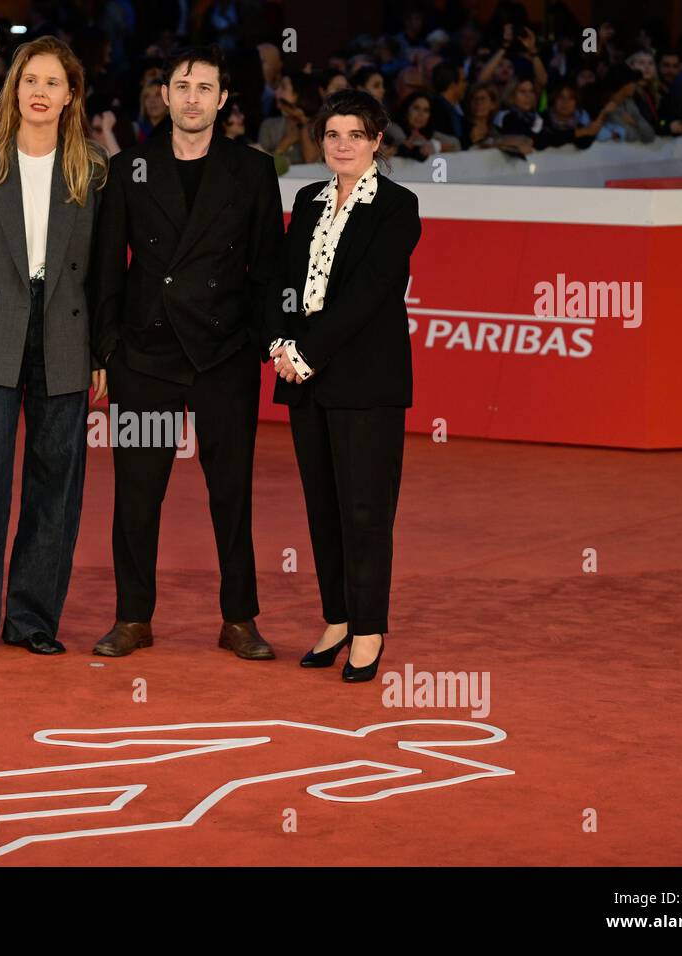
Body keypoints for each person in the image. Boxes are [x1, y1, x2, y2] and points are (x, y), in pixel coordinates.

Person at [90, 46, 285, 661]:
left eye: (206, 87)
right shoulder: (128, 169)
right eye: (183, 86)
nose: (194, 97)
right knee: (138, 491)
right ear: (166, 96)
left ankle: (239, 618)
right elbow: (105, 270)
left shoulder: (251, 170)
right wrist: (107, 348)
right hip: (145, 359)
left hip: (222, 356)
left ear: (223, 99)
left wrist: (255, 339)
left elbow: (268, 266)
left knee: (231, 492)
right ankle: (132, 617)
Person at [0, 36, 109, 657]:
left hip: (66, 335)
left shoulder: (91, 166)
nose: (39, 91)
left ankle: (33, 619)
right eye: (30, 79)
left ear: (70, 95)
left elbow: (103, 273)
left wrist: (100, 356)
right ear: (15, 87)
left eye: (53, 82)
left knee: (54, 483)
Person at [269, 88, 421, 683]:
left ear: (377, 141)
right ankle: (336, 618)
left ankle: (369, 628)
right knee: (323, 507)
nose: (342, 145)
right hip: (304, 379)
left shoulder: (397, 206)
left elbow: (369, 294)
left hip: (366, 381)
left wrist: (308, 351)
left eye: (355, 135)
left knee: (365, 510)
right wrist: (281, 342)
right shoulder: (306, 199)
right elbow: (284, 277)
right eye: (333, 135)